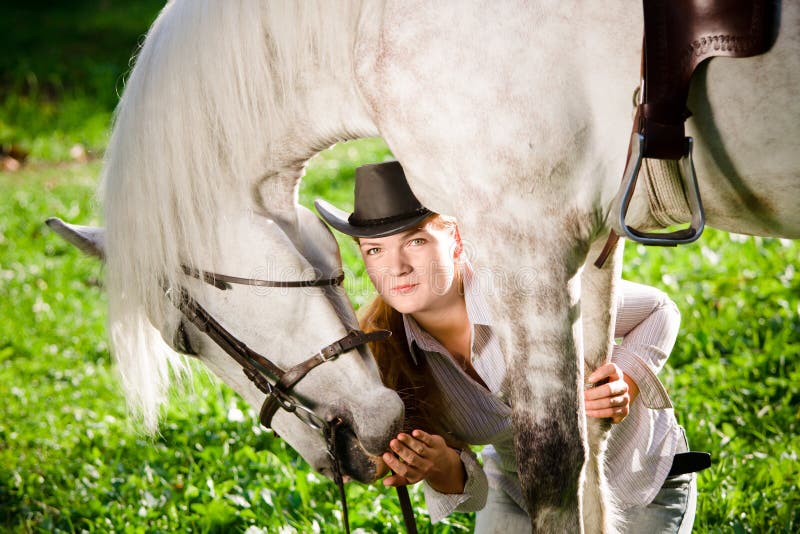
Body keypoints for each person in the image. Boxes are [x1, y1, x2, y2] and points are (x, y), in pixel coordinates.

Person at [315, 161, 707, 533]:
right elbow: (469, 484)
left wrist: (627, 378)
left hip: (634, 480)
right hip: (523, 494)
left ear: (455, 240)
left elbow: (658, 310)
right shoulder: (389, 355)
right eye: (375, 250)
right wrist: (436, 464)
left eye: (415, 241)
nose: (396, 267)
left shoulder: (522, 289)